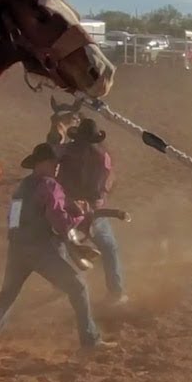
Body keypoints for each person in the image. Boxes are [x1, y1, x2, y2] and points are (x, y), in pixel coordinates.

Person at [0, 144, 114, 350]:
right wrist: (80, 215)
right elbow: (60, 221)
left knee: (8, 293)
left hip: (18, 247)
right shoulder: (50, 186)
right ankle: (90, 339)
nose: (57, 167)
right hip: (40, 249)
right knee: (78, 287)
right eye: (54, 163)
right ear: (43, 163)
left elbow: (13, 219)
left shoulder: (23, 186)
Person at [58, 118, 126, 306]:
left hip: (67, 207)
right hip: (90, 211)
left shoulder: (67, 151)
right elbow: (100, 190)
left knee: (63, 247)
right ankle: (116, 292)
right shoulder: (101, 157)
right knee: (109, 248)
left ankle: (65, 286)